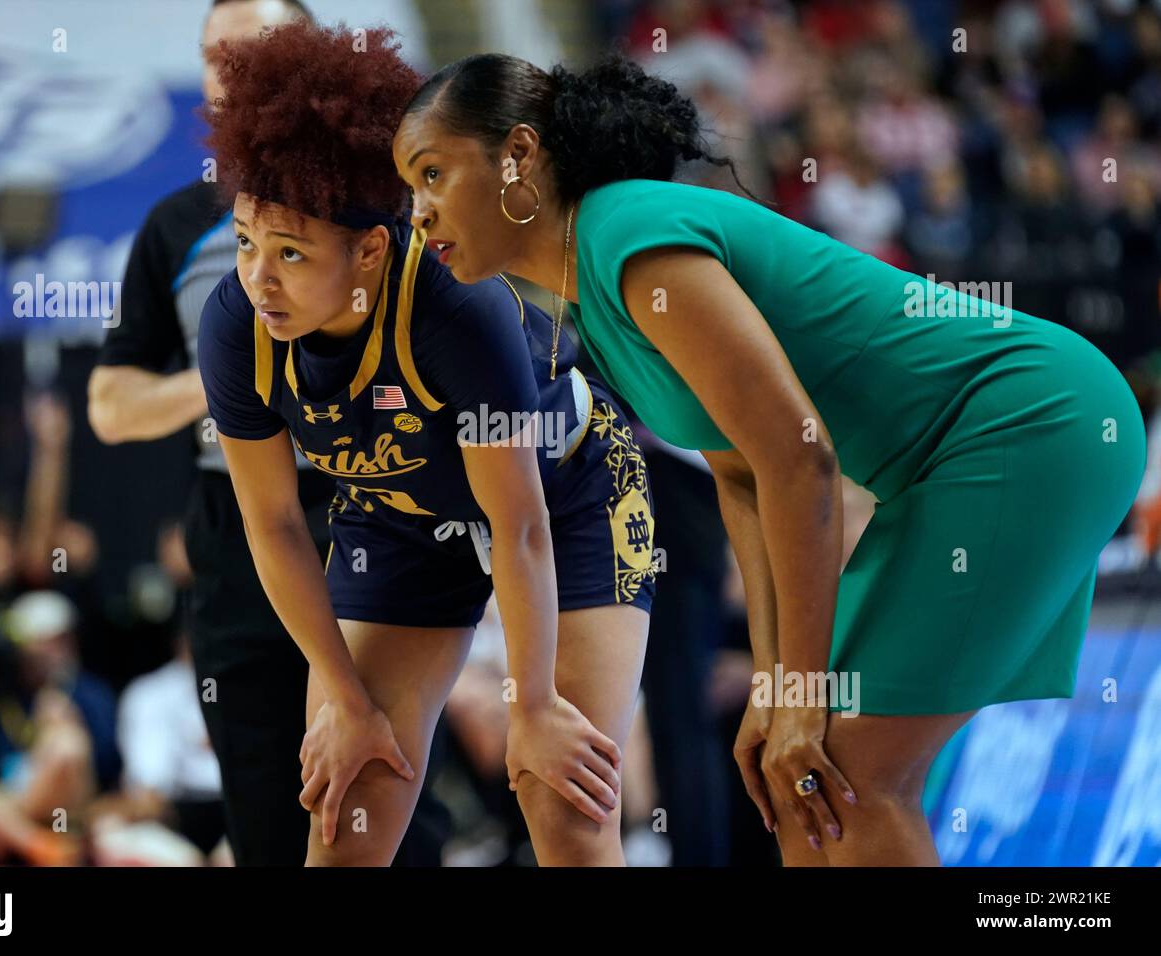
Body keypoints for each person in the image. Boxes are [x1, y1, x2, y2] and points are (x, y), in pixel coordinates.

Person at [392, 53, 1148, 866]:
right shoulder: (594, 302)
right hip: (953, 461)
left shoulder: (629, 234)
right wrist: (775, 682)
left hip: (1032, 423)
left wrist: (806, 690)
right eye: (409, 186)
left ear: (519, 156)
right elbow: (742, 480)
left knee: (848, 771)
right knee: (802, 783)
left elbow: (799, 459)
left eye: (433, 173)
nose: (420, 211)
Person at [198, 22, 657, 866]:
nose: (258, 277)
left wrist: (533, 708)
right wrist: (344, 697)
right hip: (402, 521)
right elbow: (274, 524)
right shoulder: (236, 327)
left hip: (568, 500)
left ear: (371, 250)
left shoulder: (452, 310)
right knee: (346, 813)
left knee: (564, 807)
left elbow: (517, 526)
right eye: (244, 241)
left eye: (291, 253)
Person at [88, 0, 446, 865]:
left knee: (385, 804)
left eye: (256, 54)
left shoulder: (380, 209)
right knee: (266, 811)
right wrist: (222, 385)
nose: (231, 74)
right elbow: (107, 405)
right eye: (215, 56)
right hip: (242, 529)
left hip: (376, 517)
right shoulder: (181, 231)